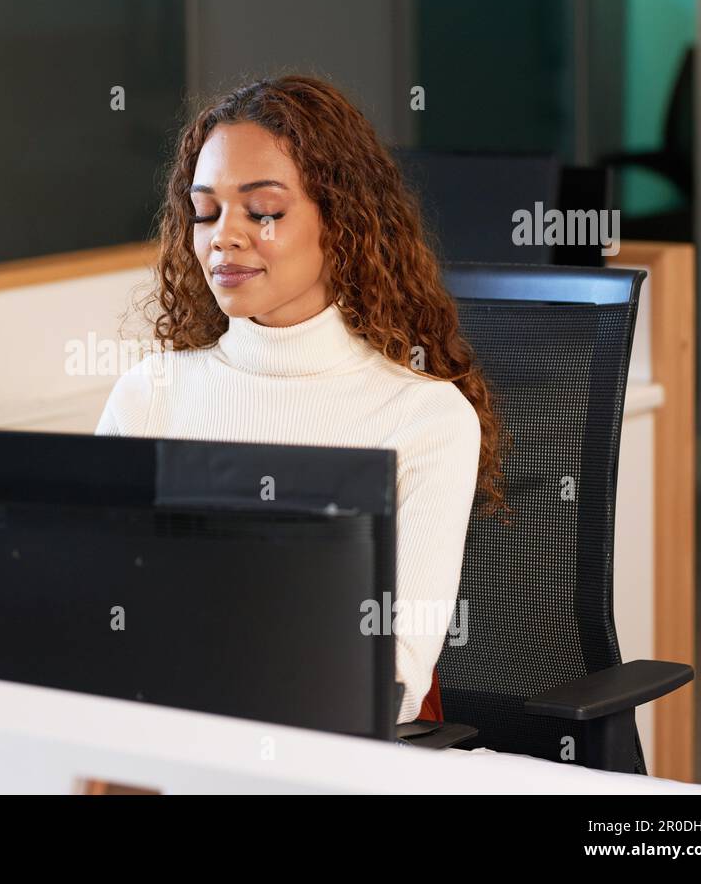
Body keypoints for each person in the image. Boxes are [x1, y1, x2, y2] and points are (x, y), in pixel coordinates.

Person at [96, 75, 507, 725]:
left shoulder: (424, 418)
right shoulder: (149, 394)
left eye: (262, 209)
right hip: (162, 735)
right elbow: (92, 610)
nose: (223, 237)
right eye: (206, 210)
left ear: (340, 220)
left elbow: (393, 674)